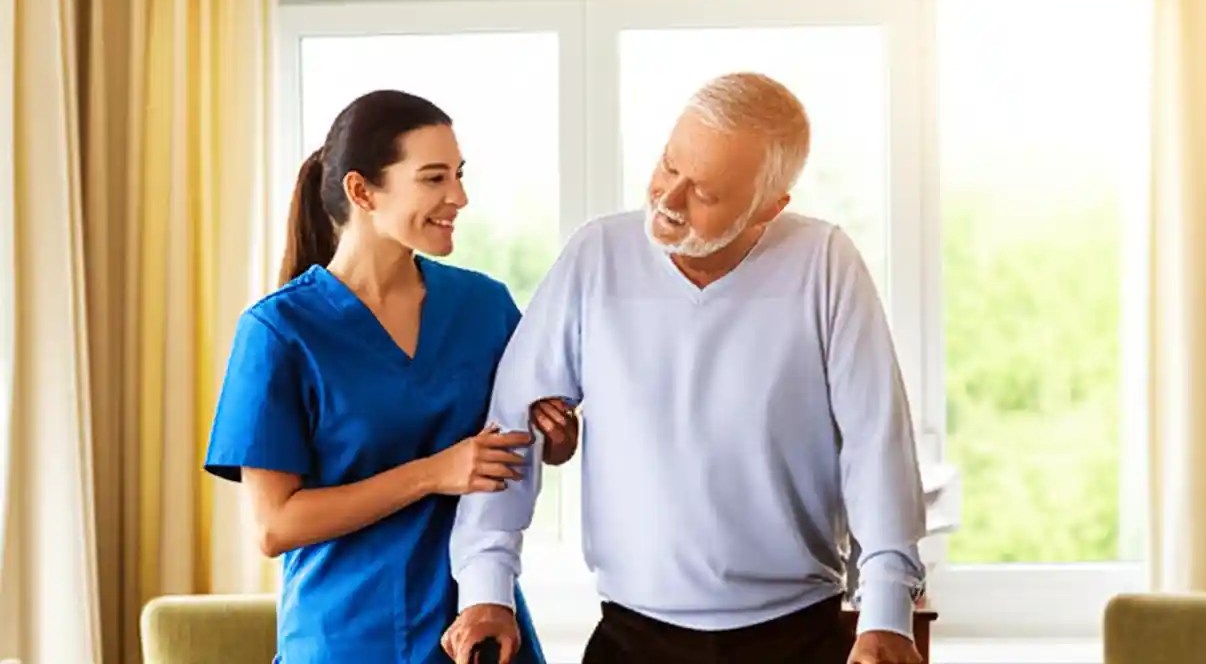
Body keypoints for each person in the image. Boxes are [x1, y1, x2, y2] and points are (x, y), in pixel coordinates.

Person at [442, 73, 928, 664]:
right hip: (631, 633)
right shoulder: (598, 255)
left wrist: (886, 610)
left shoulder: (824, 262)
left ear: (768, 208)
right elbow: (512, 428)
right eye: (669, 166)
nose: (668, 200)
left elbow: (876, 443)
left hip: (797, 632)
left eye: (705, 192)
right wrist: (486, 589)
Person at [203, 89, 562, 664]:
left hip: (475, 631)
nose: (459, 197)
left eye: (460, 175)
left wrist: (555, 434)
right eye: (434, 178)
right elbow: (274, 525)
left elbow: (514, 455)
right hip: (347, 638)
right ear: (361, 190)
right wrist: (432, 474)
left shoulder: (484, 306)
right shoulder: (278, 331)